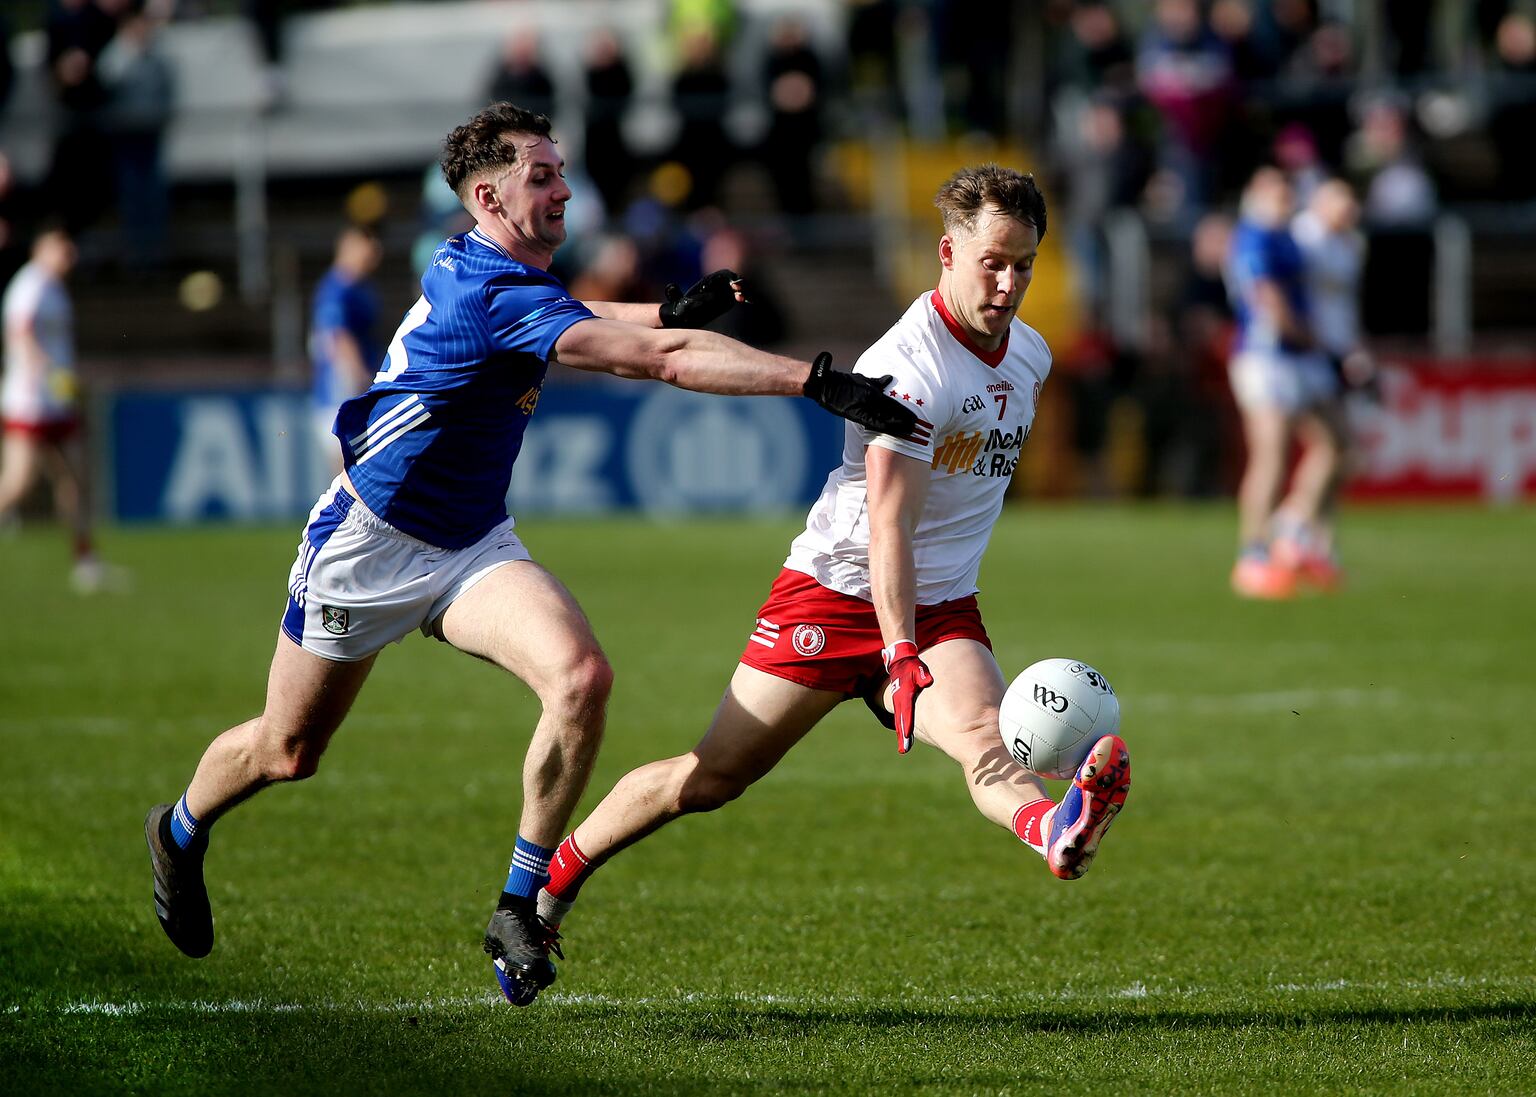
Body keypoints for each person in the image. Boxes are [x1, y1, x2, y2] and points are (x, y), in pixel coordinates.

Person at [141, 103, 918, 1007]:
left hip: (470, 543)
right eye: (541, 177)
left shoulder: (492, 267)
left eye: (560, 172)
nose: (564, 191)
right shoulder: (491, 294)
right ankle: (179, 830)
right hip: (365, 546)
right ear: (488, 196)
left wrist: (665, 307)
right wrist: (815, 380)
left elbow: (602, 318)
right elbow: (661, 361)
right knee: (287, 750)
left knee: (581, 677)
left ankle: (519, 904)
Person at [527, 165, 1134, 1001]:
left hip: (939, 605)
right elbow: (889, 524)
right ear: (947, 253)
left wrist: (918, 639)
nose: (1008, 283)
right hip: (836, 595)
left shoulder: (1029, 354)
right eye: (992, 262)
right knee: (709, 778)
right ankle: (551, 882)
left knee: (984, 738)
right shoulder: (912, 368)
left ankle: (1055, 827)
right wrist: (899, 651)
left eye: (1024, 265)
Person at [1223, 166, 1344, 598]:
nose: (1284, 196)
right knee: (1271, 454)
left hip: (1298, 357)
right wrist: (1307, 335)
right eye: (1275, 189)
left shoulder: (1288, 236)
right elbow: (1266, 297)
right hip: (1266, 357)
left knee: (1338, 444)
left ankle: (1293, 526)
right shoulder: (1254, 236)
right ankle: (1253, 555)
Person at [0, 225, 117, 593]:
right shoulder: (30, 285)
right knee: (19, 483)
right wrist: (47, 371)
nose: (69, 256)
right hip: (30, 402)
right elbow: (20, 332)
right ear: (40, 249)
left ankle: (86, 561)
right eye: (61, 248)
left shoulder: (54, 288)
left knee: (74, 481)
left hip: (55, 403)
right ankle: (86, 560)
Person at [307, 224, 383, 473]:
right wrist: (360, 377)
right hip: (341, 391)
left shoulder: (361, 288)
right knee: (347, 471)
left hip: (353, 390)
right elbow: (338, 337)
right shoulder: (336, 290)